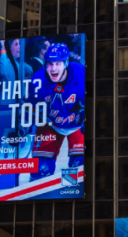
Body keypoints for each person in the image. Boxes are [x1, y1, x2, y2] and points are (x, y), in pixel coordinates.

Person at [29, 43, 86, 183]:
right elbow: (30, 107)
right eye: (50, 64)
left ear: (66, 63)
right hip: (51, 123)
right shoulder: (38, 80)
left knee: (79, 164)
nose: (53, 69)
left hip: (77, 123)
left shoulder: (81, 74)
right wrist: (23, 127)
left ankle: (71, 199)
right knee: (41, 169)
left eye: (58, 63)